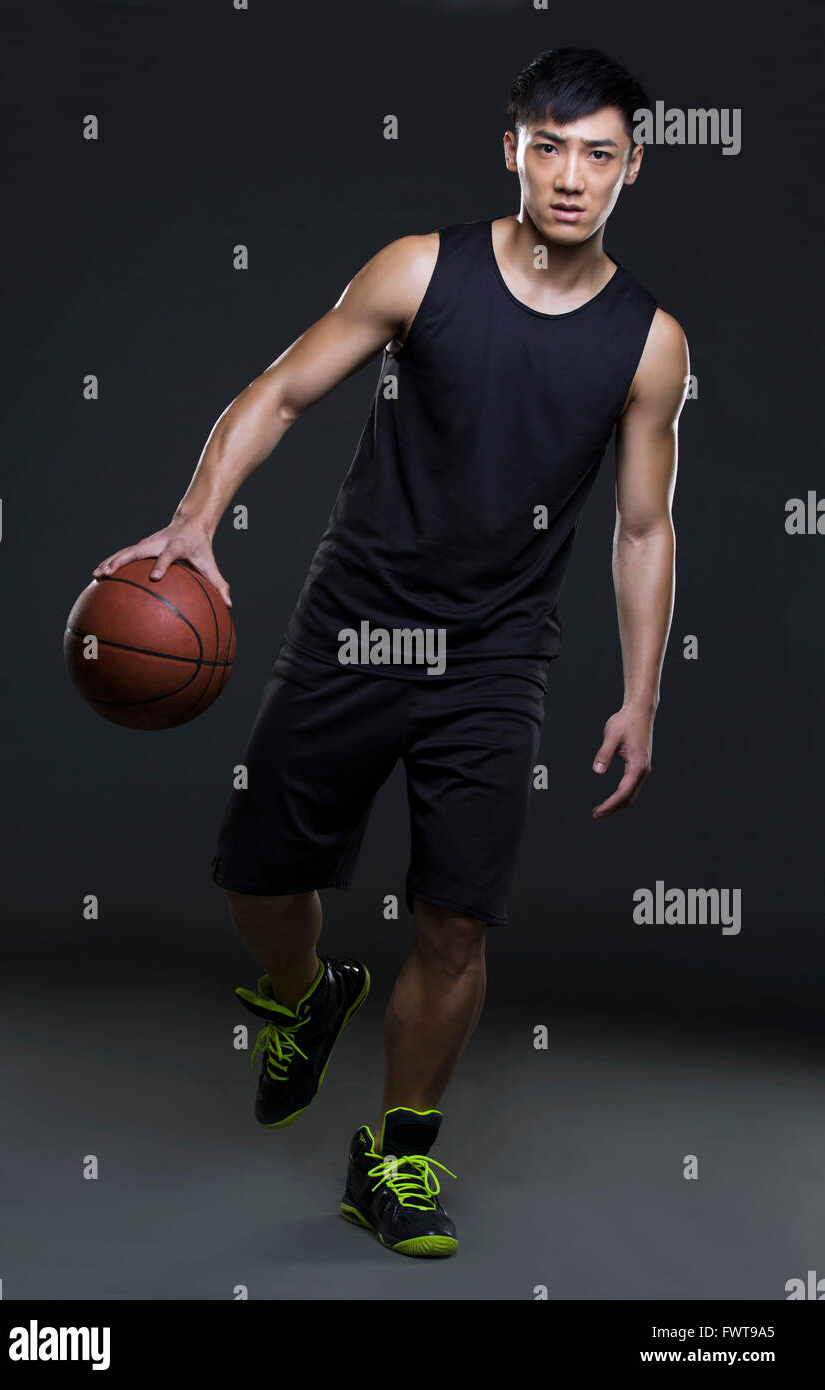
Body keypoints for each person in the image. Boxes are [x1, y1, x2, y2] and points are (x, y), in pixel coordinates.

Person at [93, 46, 689, 1259]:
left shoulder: (647, 344)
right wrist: (195, 521)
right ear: (511, 148)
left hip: (494, 659)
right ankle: (308, 996)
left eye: (597, 153)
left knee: (454, 922)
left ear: (631, 166)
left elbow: (642, 527)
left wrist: (640, 696)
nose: (569, 176)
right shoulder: (420, 270)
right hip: (354, 625)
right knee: (257, 878)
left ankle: (396, 1157)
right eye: (548, 146)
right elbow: (279, 391)